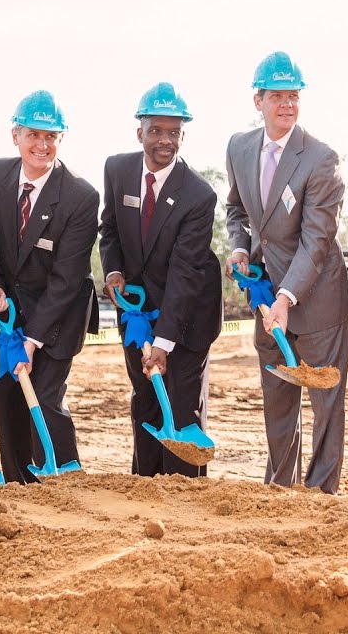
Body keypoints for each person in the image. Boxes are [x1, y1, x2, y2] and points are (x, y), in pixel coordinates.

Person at [224, 51, 348, 494]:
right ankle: (278, 488)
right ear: (258, 100)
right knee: (278, 400)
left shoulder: (320, 159)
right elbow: (236, 207)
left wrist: (286, 298)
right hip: (265, 292)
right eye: (277, 96)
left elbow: (317, 240)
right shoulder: (239, 147)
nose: (287, 105)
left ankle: (320, 494)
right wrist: (239, 247)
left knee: (325, 403)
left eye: (293, 96)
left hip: (314, 297)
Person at [0, 90, 99, 484]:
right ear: (16, 135)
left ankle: (64, 482)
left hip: (57, 318)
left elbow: (67, 280)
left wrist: (32, 340)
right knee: (9, 401)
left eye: (51, 137)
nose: (42, 145)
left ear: (61, 139)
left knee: (44, 400)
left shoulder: (81, 196)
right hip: (5, 317)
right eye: (33, 135)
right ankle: (18, 488)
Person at [99, 82, 223, 477]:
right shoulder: (117, 170)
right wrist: (115, 271)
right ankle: (147, 485)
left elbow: (186, 273)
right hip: (137, 309)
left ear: (183, 135)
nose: (164, 140)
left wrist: (164, 342)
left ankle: (185, 495)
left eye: (174, 132)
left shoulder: (198, 196)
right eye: (156, 130)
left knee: (181, 403)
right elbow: (110, 231)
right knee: (147, 398)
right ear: (140, 132)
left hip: (187, 315)